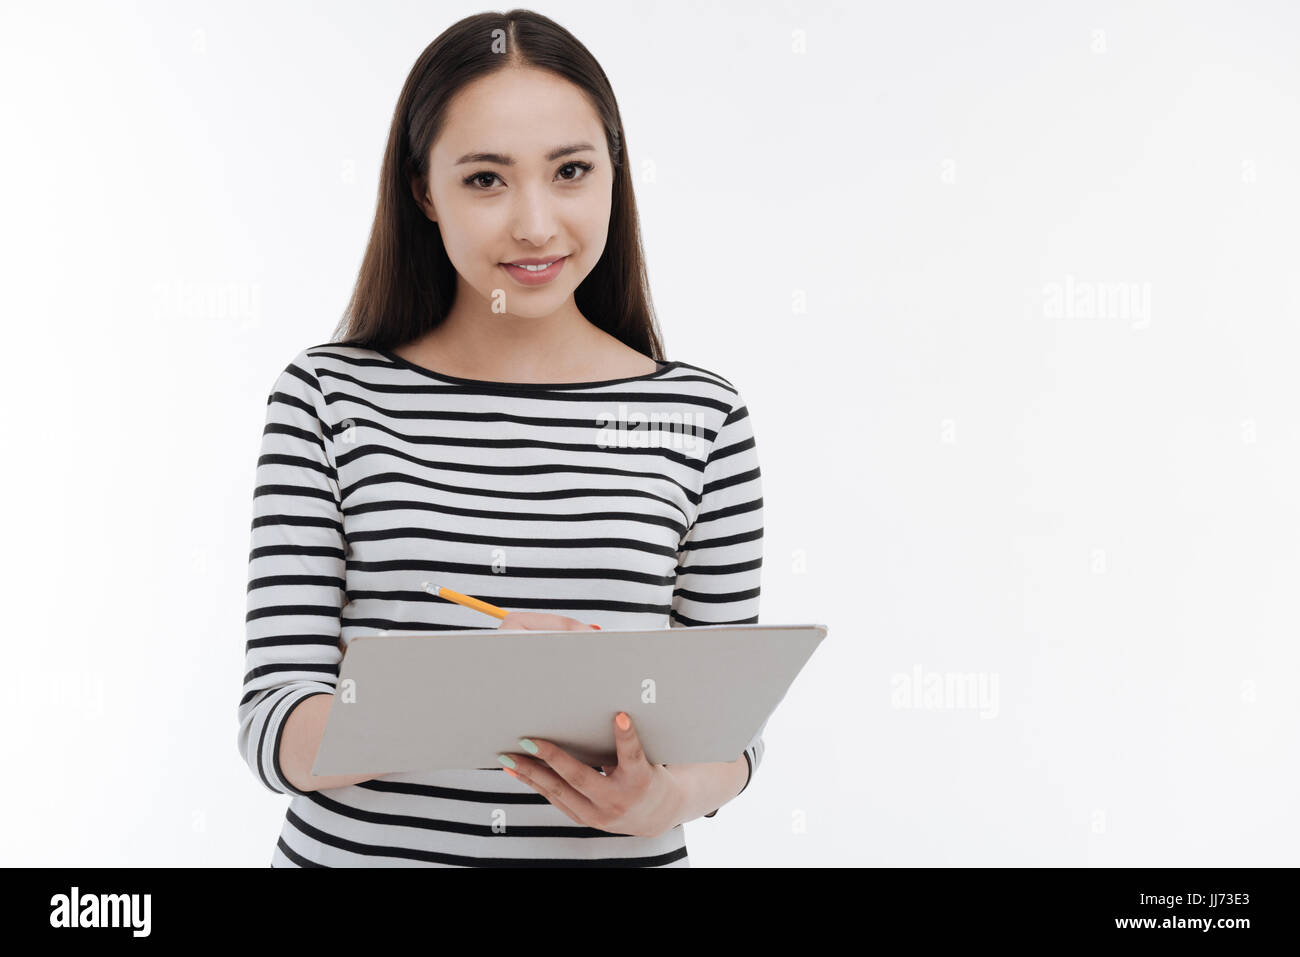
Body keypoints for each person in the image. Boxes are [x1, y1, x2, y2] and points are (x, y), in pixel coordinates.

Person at [238, 9, 765, 867]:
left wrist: (666, 795)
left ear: (613, 174)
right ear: (423, 191)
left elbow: (727, 735)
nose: (534, 224)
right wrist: (483, 692)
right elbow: (275, 725)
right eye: (486, 179)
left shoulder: (701, 416)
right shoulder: (330, 398)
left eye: (570, 171)